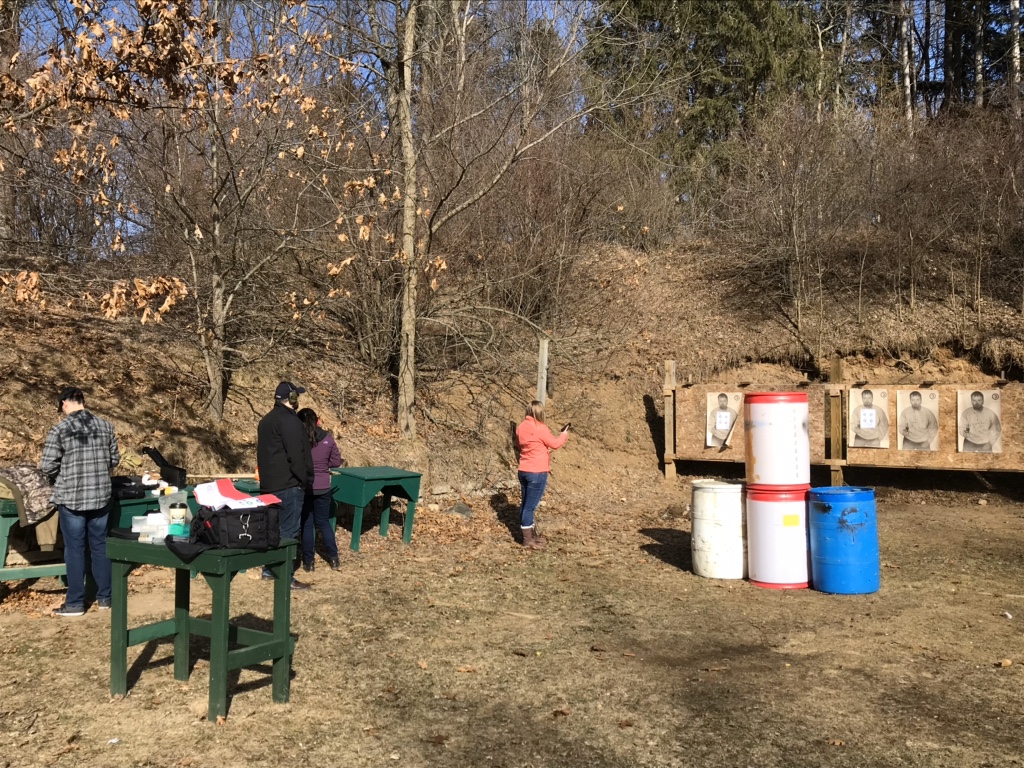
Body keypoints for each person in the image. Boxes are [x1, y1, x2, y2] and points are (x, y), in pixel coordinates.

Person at [39, 387, 120, 616]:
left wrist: (63, 473)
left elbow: (47, 466)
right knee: (100, 546)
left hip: (73, 498)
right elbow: (114, 460)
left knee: (75, 550)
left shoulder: (61, 429)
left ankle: (75, 603)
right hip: (101, 497)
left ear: (65, 403)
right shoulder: (106, 426)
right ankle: (106, 598)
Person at [257, 381, 314, 590]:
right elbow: (296, 456)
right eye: (295, 396)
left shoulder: (266, 421)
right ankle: (286, 576)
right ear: (290, 398)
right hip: (289, 485)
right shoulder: (290, 422)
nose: (297, 400)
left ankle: (268, 569)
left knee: (273, 529)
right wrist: (303, 479)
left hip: (269, 485)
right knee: (289, 531)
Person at [515, 401, 569, 550]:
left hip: (524, 469)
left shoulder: (520, 427)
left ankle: (530, 536)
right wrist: (564, 434)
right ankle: (527, 540)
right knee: (529, 508)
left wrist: (542, 450)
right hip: (537, 472)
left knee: (525, 505)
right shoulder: (541, 428)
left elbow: (525, 447)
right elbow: (556, 443)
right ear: (540, 413)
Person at [296, 408, 342, 572]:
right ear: (317, 421)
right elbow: (336, 462)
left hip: (305, 487)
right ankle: (334, 558)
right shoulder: (328, 439)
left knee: (307, 525)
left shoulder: (298, 440)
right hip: (323, 487)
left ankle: (309, 563)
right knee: (323, 523)